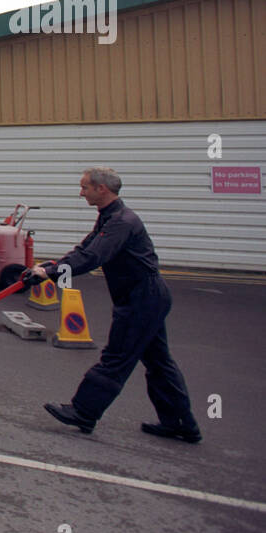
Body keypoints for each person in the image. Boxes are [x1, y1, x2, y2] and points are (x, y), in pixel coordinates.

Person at [34, 167, 201, 443]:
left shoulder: (122, 222)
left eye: (84, 187)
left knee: (116, 358)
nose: (80, 192)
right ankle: (181, 424)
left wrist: (50, 274)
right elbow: (84, 249)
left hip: (142, 299)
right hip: (143, 297)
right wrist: (50, 267)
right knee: (159, 363)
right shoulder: (110, 218)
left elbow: (93, 258)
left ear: (102, 189)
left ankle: (84, 411)